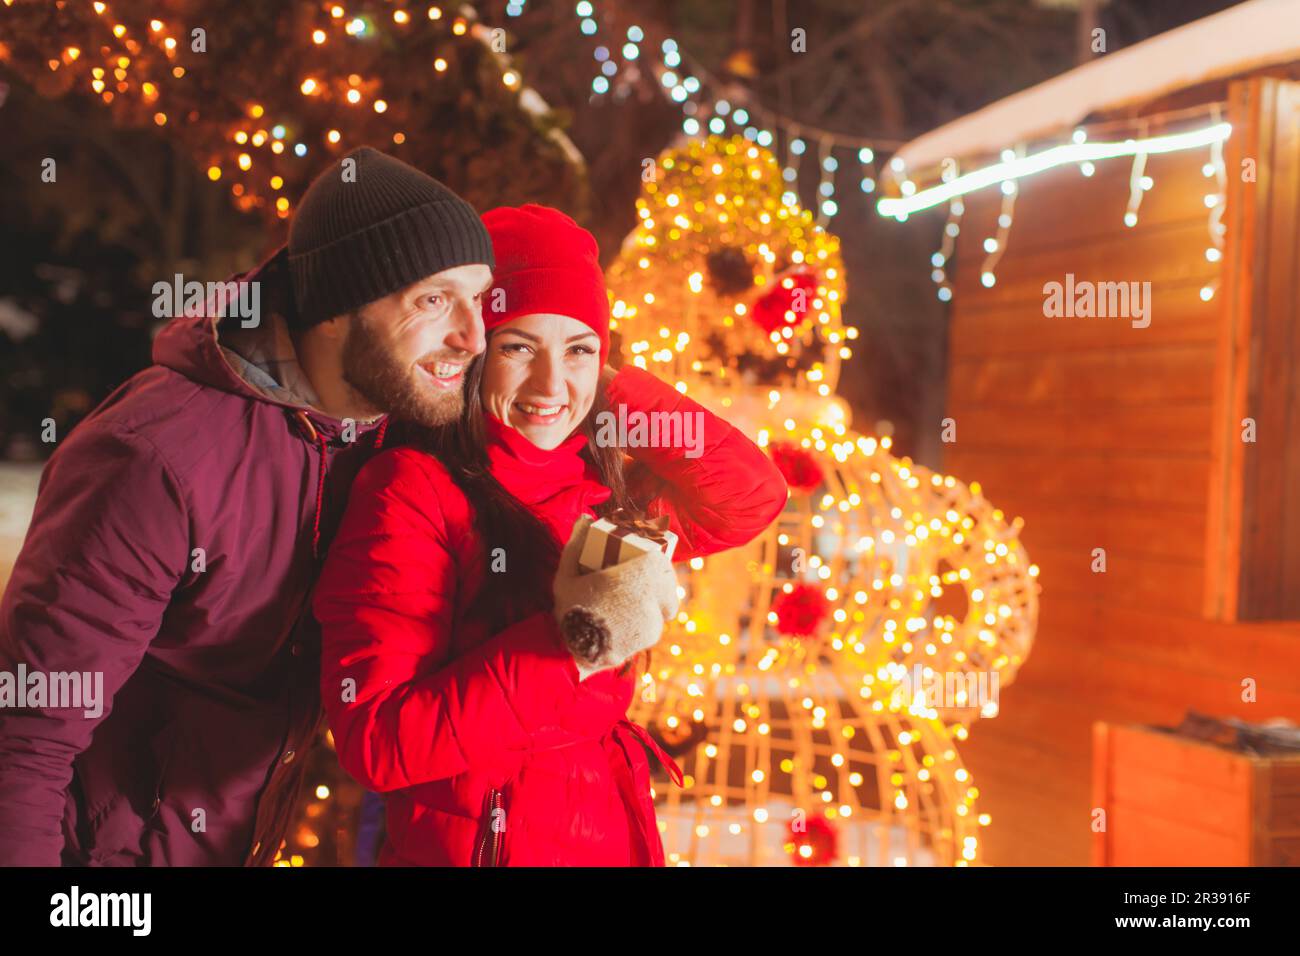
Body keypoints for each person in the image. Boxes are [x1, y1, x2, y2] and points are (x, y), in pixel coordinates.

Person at [0, 146, 495, 866]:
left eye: (478, 298)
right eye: (432, 299)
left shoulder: (391, 438)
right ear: (333, 309)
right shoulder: (157, 458)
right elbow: (25, 737)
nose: (472, 337)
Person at [313, 204, 789, 866]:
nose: (550, 385)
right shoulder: (412, 489)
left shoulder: (600, 486)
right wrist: (572, 645)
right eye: (518, 347)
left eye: (578, 350)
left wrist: (612, 391)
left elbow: (750, 497)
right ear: (473, 349)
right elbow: (378, 742)